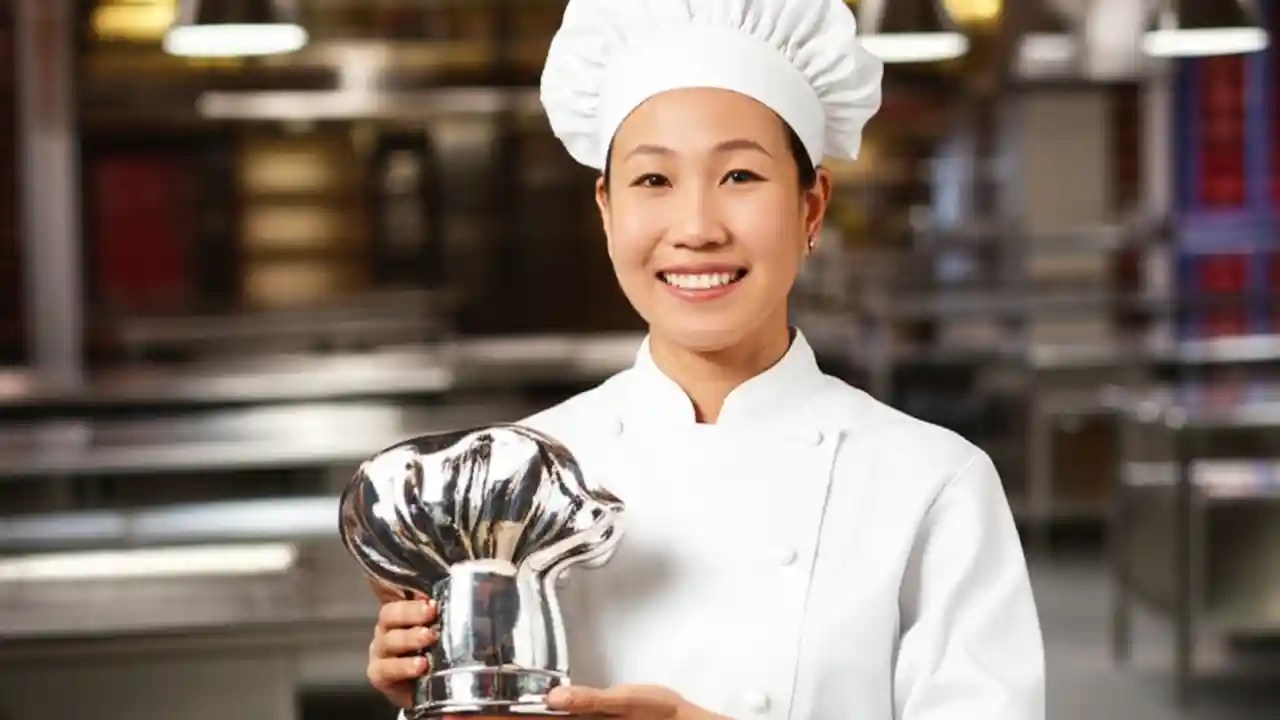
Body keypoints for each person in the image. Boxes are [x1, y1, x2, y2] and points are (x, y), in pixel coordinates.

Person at [366, 0, 1045, 717]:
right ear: (606, 210)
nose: (695, 230)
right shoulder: (512, 478)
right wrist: (438, 690)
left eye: (741, 177)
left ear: (811, 207)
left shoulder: (933, 484)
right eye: (654, 181)